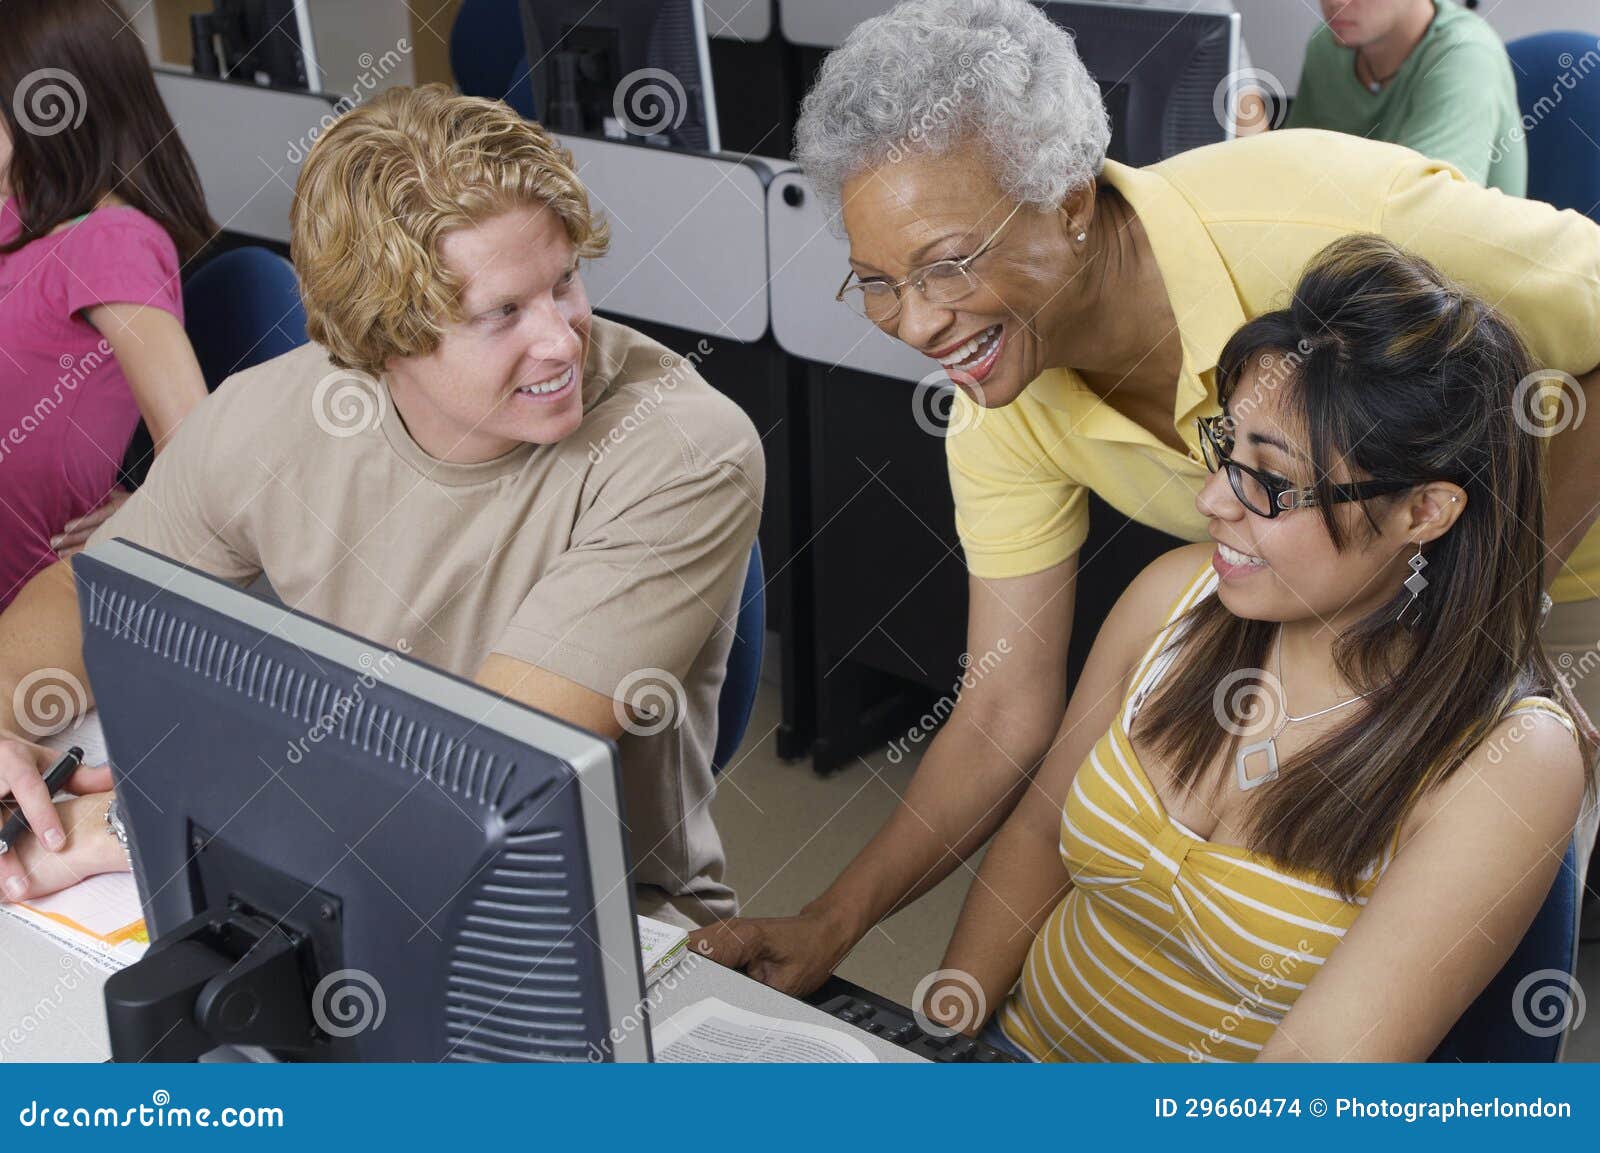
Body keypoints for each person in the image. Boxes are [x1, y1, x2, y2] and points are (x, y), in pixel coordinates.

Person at [690, 0, 1600, 995]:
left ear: (1071, 204)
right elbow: (1002, 702)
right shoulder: (1004, 401)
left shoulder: (1328, 216)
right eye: (875, 281)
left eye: (946, 264)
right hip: (1339, 592)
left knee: (1451, 914)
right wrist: (834, 921)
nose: (911, 322)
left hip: (1555, 559)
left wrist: (1490, 620)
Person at [0, 85, 764, 929]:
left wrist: (129, 821)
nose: (561, 338)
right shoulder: (279, 410)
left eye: (566, 281)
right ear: (385, 335)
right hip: (316, 866)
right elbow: (85, 594)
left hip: (583, 922)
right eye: (502, 312)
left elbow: (481, 775)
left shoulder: (683, 450)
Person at [931, 235, 1589, 1061]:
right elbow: (1036, 837)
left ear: (1425, 510)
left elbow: (1311, 1081)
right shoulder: (1173, 595)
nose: (1212, 500)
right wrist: (940, 1050)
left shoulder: (1513, 759)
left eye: (1270, 482)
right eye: (1224, 447)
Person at [0, 0, 213, 608]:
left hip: (34, 608)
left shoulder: (109, 241)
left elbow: (195, 444)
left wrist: (140, 516)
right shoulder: (18, 225)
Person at [1283, 0, 1524, 195]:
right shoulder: (1327, 44)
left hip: (1439, 252)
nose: (1335, 3)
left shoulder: (1467, 58)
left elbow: (1422, 213)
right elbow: (1295, 175)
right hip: (1352, 246)